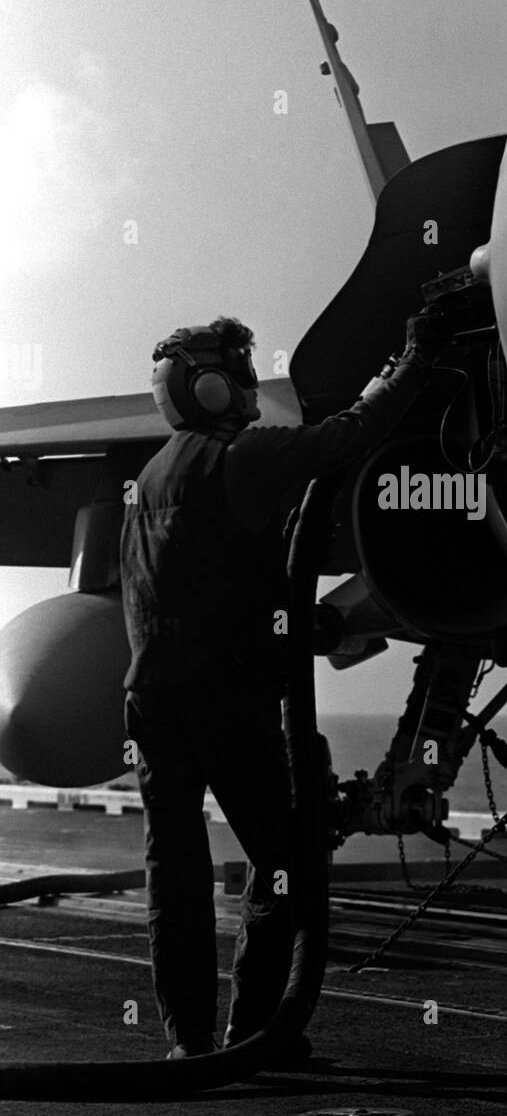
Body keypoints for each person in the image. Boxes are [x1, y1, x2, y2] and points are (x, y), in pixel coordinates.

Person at [120, 312, 448, 1060]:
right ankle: (257, 1028)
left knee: (173, 872)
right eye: (234, 371)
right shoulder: (241, 458)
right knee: (283, 862)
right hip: (225, 701)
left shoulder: (147, 478)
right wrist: (413, 363)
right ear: (207, 386)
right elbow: (350, 434)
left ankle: (188, 1043)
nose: (245, 385)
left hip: (150, 699)